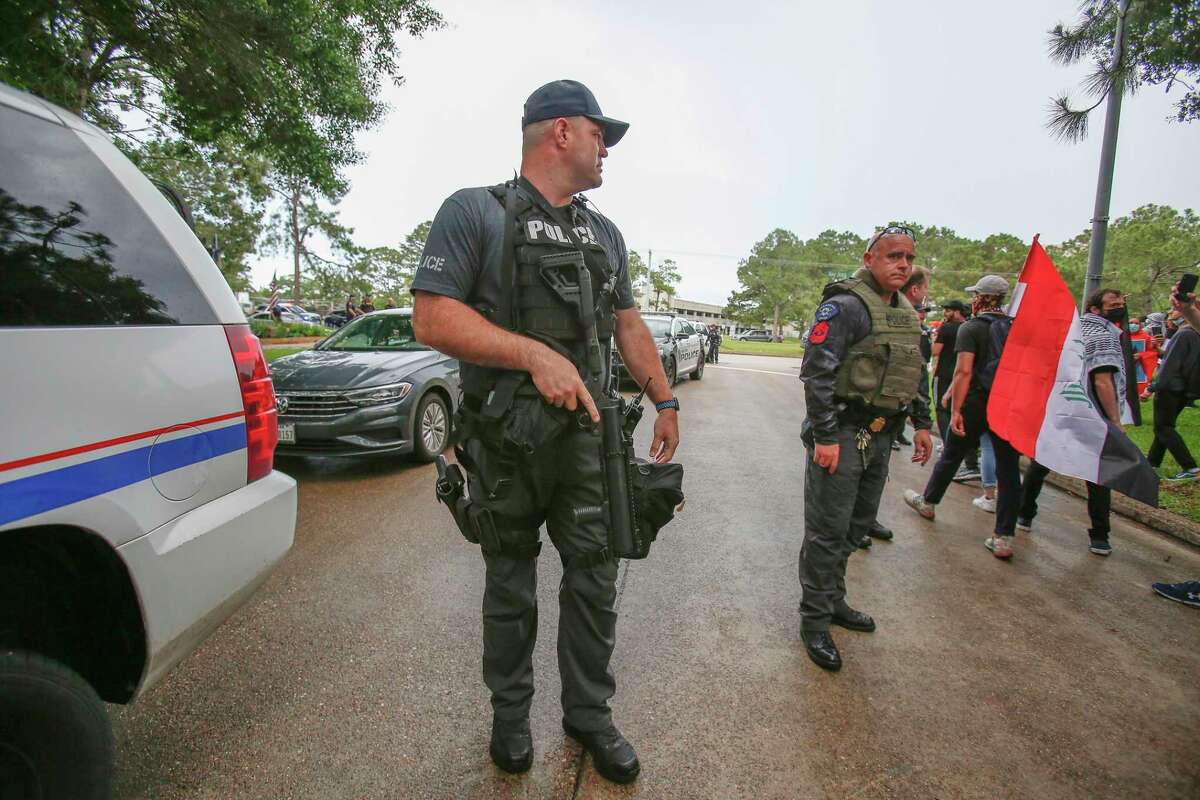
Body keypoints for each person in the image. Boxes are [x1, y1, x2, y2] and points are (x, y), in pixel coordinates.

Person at [411, 80, 677, 784]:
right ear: (561, 132)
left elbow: (627, 325)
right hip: (504, 440)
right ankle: (510, 716)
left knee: (593, 579)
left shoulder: (605, 232)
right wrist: (532, 354)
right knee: (510, 584)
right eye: (599, 134)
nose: (606, 148)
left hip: (589, 441)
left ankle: (589, 716)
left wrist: (665, 398)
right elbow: (433, 317)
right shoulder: (476, 211)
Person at [797, 226, 933, 671]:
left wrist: (924, 423)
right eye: (893, 256)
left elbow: (917, 369)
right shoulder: (846, 307)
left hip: (880, 436)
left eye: (908, 258)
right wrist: (825, 437)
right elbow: (817, 374)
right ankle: (814, 620)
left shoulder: (907, 313)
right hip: (842, 433)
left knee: (856, 529)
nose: (902, 265)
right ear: (870, 257)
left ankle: (834, 600)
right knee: (827, 531)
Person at [902, 274, 1024, 560]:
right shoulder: (1015, 329)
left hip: (975, 402)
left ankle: (929, 501)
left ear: (981, 297)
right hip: (1006, 403)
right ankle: (1004, 536)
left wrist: (955, 408)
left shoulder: (971, 328)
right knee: (1009, 469)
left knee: (952, 454)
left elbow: (964, 371)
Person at [1016, 287, 1133, 554]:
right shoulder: (1103, 335)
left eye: (1121, 302)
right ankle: (1100, 535)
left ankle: (1024, 514)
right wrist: (1115, 420)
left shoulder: (1074, 332)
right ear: (1095, 308)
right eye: (1113, 304)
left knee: (1042, 462)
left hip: (1062, 408)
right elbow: (1103, 381)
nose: (1119, 306)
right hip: (1092, 415)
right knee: (1098, 474)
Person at [1143, 285, 1199, 481]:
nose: (1170, 317)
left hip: (1170, 387)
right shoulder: (1195, 335)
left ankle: (1190, 467)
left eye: (1173, 314)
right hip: (1186, 388)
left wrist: (1152, 388)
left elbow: (1170, 364)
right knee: (1166, 425)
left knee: (1163, 427)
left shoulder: (1184, 334)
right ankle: (1151, 462)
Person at [931, 300, 970, 443]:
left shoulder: (946, 328)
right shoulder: (969, 327)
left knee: (941, 409)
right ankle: (956, 444)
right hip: (961, 375)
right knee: (957, 409)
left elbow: (935, 352)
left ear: (957, 311)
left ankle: (947, 443)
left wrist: (935, 339)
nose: (945, 313)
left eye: (948, 310)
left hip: (943, 374)